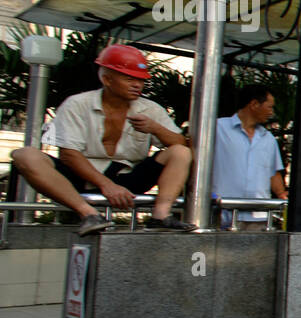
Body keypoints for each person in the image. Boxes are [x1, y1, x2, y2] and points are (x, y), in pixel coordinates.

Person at [10, 45, 195, 233]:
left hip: (128, 177)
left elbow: (182, 145)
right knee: (25, 155)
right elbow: (68, 155)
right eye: (129, 79)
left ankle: (160, 216)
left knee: (181, 152)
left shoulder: (151, 109)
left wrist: (155, 128)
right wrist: (106, 185)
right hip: (81, 176)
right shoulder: (77, 104)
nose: (137, 85)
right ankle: (88, 214)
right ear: (107, 79)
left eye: (141, 80)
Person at [213, 84, 287, 231]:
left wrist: (281, 195)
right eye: (269, 107)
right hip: (221, 214)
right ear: (254, 104)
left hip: (258, 216)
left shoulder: (268, 139)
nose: (271, 112)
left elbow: (273, 174)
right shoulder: (217, 128)